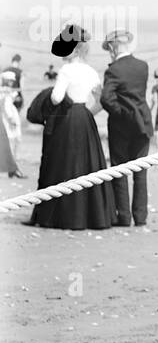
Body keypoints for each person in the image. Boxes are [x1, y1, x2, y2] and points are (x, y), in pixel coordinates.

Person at [29, 24, 116, 229]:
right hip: (84, 118)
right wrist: (87, 113)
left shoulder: (66, 70)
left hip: (66, 119)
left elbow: (56, 97)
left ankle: (58, 216)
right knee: (87, 166)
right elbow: (101, 102)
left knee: (61, 164)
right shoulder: (92, 72)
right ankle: (91, 216)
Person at [102, 30, 153, 227]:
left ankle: (123, 216)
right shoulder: (143, 66)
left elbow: (106, 98)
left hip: (121, 126)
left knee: (120, 170)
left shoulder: (113, 70)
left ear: (114, 47)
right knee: (141, 172)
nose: (110, 53)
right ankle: (140, 217)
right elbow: (137, 95)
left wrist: (120, 113)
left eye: (109, 49)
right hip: (143, 123)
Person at [0, 71, 24, 177]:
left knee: (13, 144)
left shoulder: (6, 91)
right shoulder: (5, 92)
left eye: (12, 81)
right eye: (9, 80)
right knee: (13, 144)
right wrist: (11, 120)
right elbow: (6, 107)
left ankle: (13, 169)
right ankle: (13, 169)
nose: (11, 83)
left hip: (8, 118)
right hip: (9, 119)